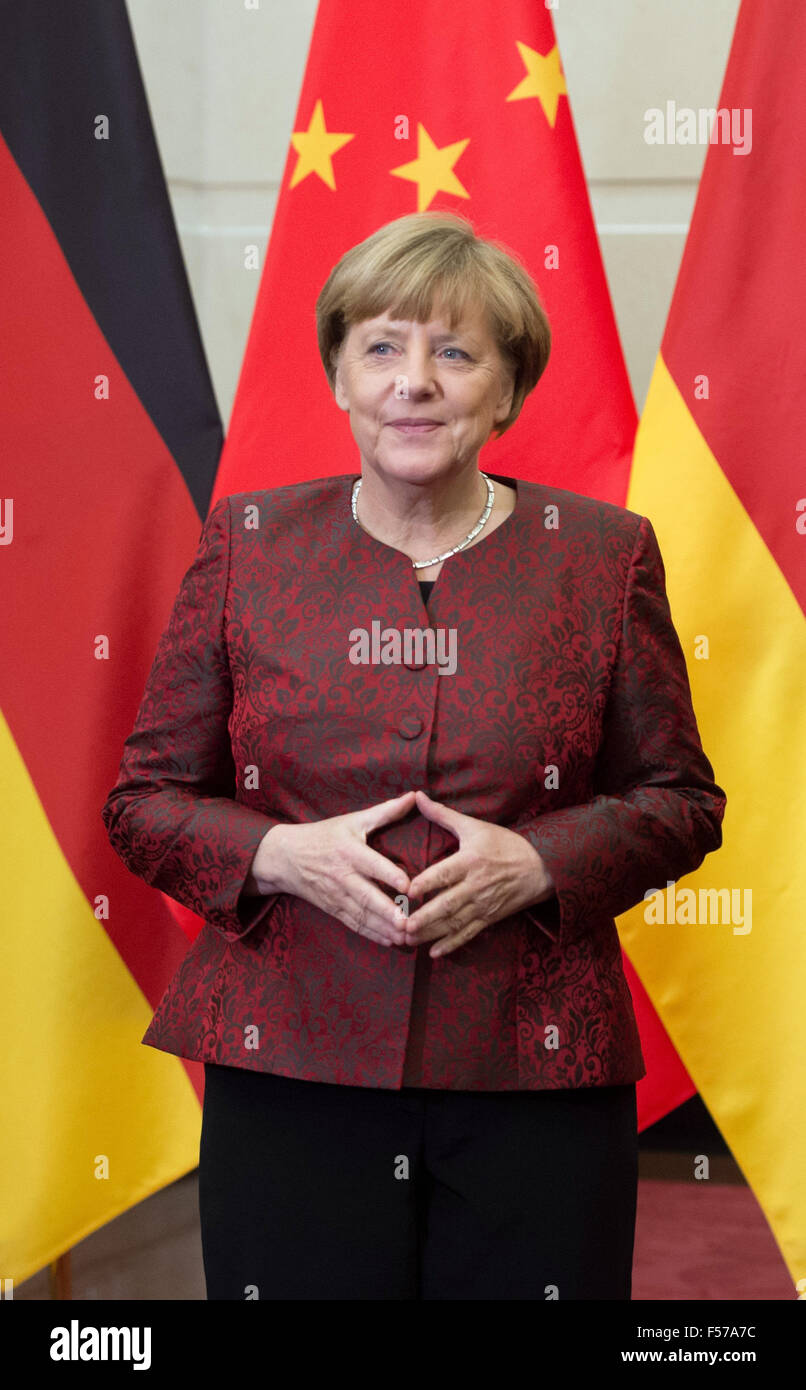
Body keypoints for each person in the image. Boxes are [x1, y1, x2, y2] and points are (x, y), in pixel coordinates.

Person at [101, 210, 726, 1300]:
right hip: (291, 1065)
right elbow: (144, 801)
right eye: (381, 346)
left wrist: (539, 863)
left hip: (535, 1072)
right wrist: (280, 855)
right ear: (338, 374)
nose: (414, 381)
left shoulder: (599, 558)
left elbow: (680, 799)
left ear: (505, 390)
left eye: (455, 352)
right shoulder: (248, 547)